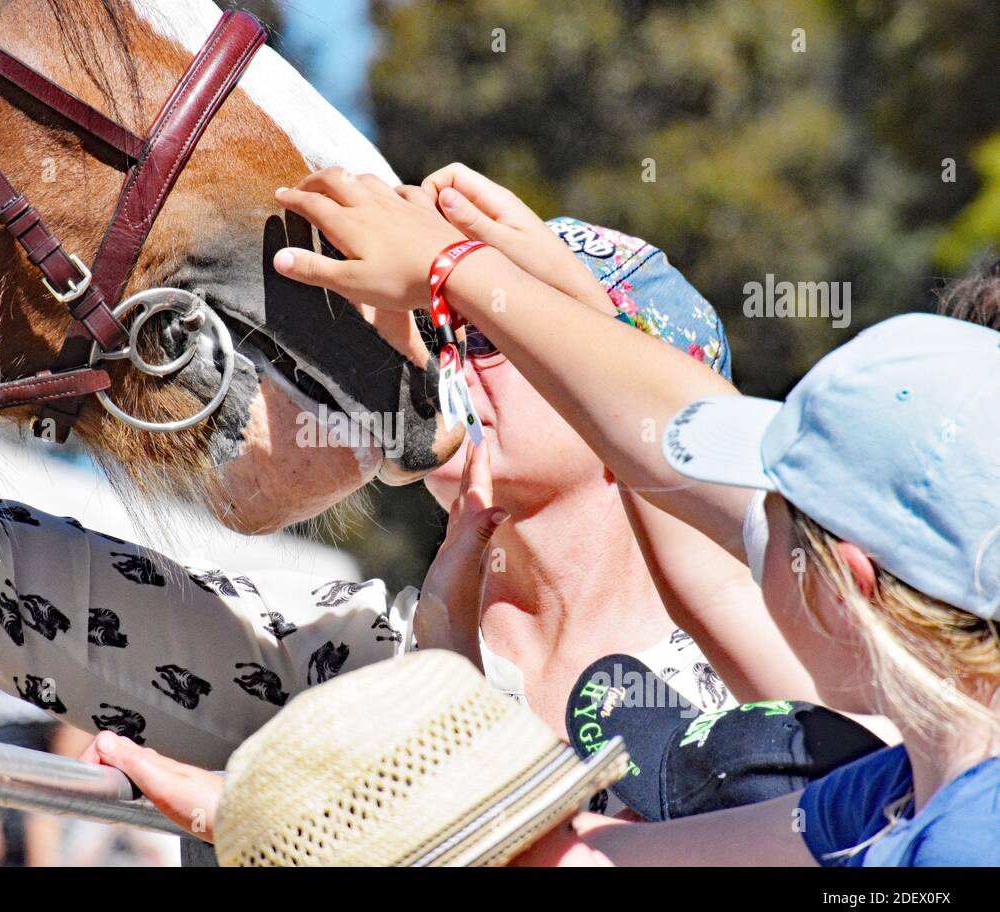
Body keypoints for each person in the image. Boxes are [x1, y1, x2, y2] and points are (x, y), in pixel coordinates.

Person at [0, 198, 818, 789]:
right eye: (429, 330)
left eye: (487, 328)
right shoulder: (341, 654)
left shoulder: (784, 658)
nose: (431, 362)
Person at [231, 166, 998, 865]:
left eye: (767, 524)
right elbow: (580, 862)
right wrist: (540, 290)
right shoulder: (889, 795)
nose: (741, 539)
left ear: (850, 590)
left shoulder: (954, 837)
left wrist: (459, 271)